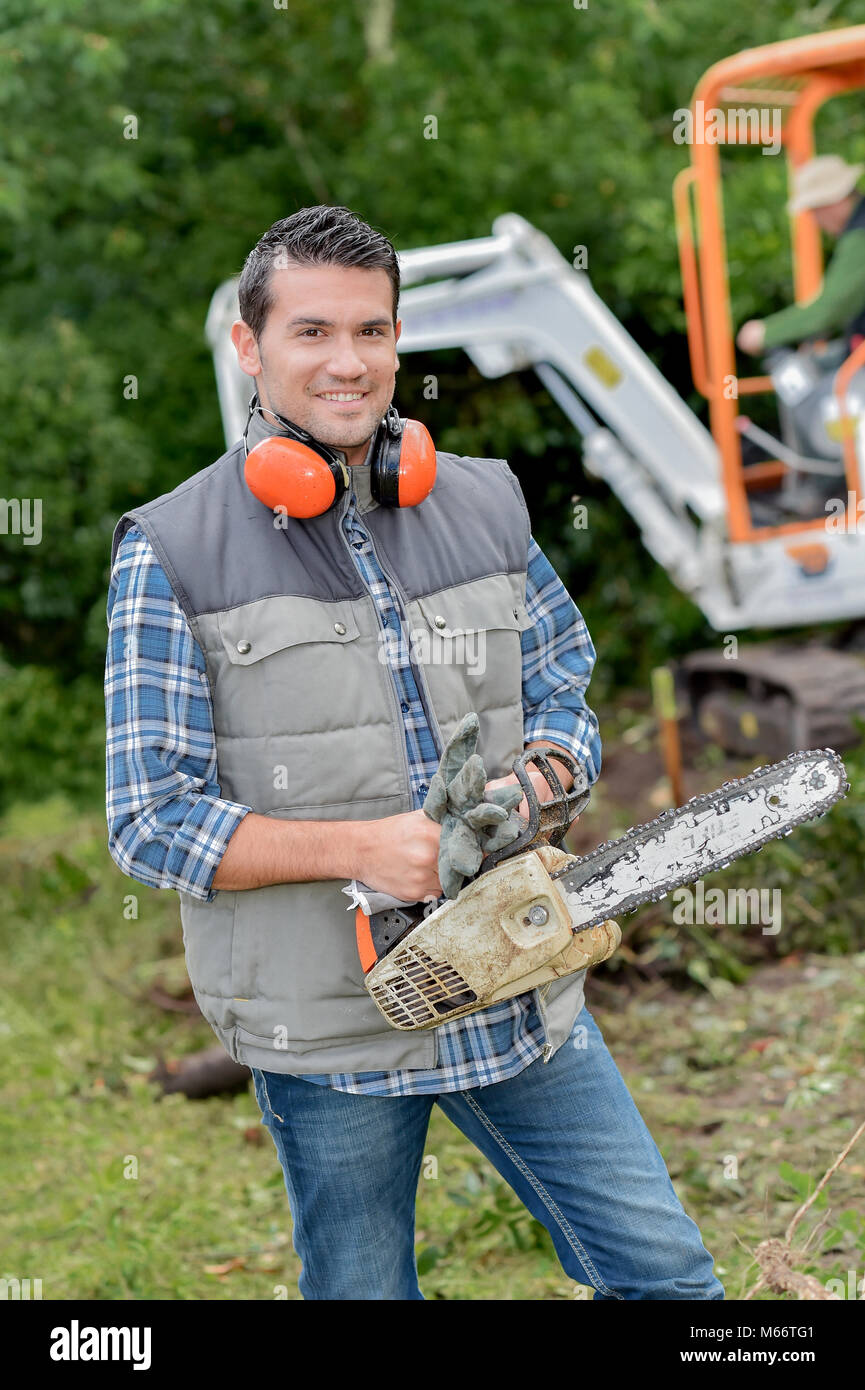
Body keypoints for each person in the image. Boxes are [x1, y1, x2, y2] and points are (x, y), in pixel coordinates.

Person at [104, 204, 723, 1301]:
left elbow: (564, 694)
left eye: (372, 332)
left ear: (399, 341)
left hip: (518, 992)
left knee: (669, 1281)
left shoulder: (484, 503)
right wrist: (367, 848)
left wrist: (531, 787)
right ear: (249, 347)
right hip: (327, 1033)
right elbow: (149, 818)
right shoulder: (172, 551)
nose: (348, 362)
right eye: (312, 332)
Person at [737, 154, 865, 356]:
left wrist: (765, 333)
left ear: (835, 201)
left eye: (816, 210)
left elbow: (828, 310)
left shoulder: (860, 237)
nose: (816, 221)